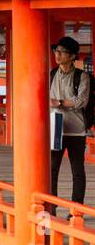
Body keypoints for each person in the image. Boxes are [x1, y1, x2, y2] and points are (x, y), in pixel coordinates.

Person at [48, 36, 89, 211]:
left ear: (72, 56)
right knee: (52, 171)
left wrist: (58, 102)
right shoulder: (51, 74)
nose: (57, 54)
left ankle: (76, 209)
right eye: (56, 51)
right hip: (55, 129)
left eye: (62, 51)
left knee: (77, 171)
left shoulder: (82, 76)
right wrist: (64, 102)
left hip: (76, 131)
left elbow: (81, 101)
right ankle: (52, 206)